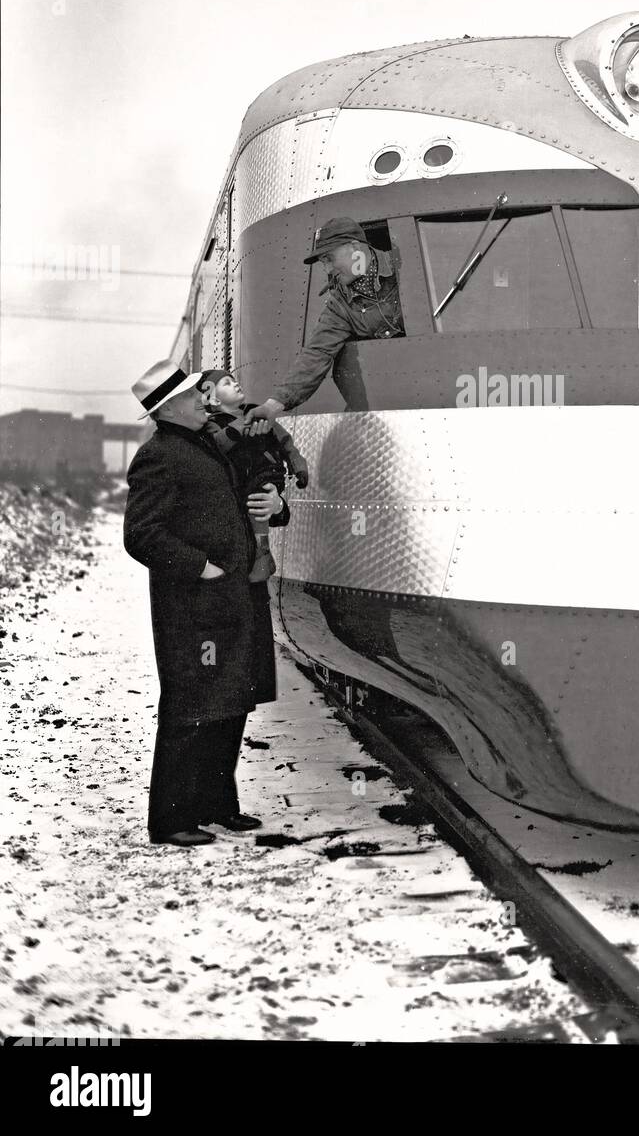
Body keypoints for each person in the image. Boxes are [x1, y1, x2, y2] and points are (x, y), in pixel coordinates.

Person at [123, 359, 288, 847]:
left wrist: (276, 506)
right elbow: (141, 535)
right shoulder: (160, 455)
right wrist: (201, 567)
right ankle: (172, 821)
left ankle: (217, 806)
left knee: (230, 702)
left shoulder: (208, 444)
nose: (206, 400)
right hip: (193, 608)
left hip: (233, 599)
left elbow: (253, 493)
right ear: (172, 407)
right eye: (197, 396)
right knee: (190, 709)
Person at [246, 216, 403, 424]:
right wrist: (273, 405)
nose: (328, 270)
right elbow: (317, 353)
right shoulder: (339, 304)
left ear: (355, 248)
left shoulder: (404, 265)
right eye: (323, 263)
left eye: (329, 258)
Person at [199, 368, 308, 581]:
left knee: (259, 502)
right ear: (213, 399)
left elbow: (287, 444)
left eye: (234, 379)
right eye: (226, 383)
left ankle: (261, 555)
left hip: (268, 475)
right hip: (244, 481)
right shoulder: (212, 424)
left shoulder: (260, 414)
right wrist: (241, 425)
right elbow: (216, 445)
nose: (235, 384)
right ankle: (261, 555)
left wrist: (299, 467)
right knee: (255, 505)